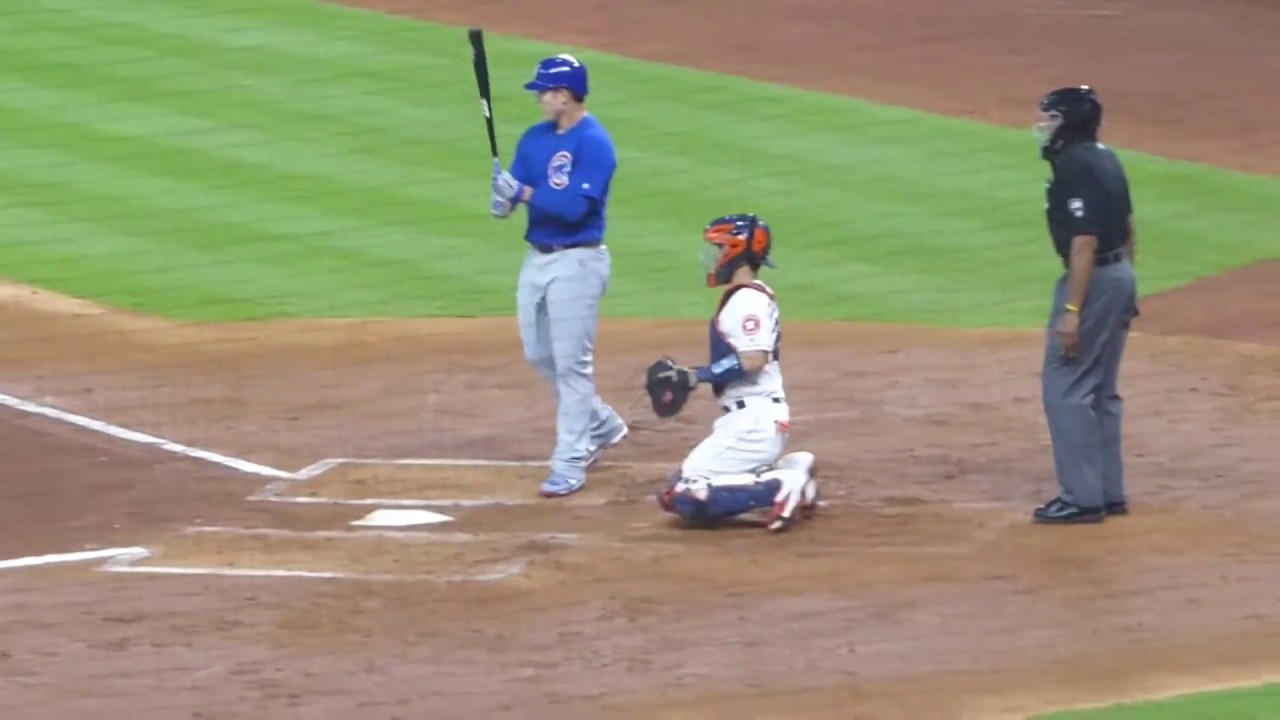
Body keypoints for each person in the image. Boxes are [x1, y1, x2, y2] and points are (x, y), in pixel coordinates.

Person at [490, 54, 628, 498]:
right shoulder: (534, 139)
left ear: (565, 95)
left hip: (579, 261)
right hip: (538, 258)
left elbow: (575, 208)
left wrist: (524, 194)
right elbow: (517, 186)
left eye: (545, 91)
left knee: (571, 365)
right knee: (538, 355)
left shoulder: (595, 143)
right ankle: (600, 422)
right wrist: (504, 200)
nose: (539, 98)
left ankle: (570, 461)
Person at [652, 213, 819, 532]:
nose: (714, 257)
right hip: (753, 418)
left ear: (736, 252)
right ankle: (794, 467)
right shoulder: (749, 295)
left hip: (753, 423)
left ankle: (783, 484)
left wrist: (696, 377)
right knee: (683, 480)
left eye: (719, 248)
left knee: (685, 495)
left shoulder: (746, 300)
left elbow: (754, 359)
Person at [1032, 85, 1139, 524]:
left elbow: (1084, 243)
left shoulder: (1075, 166)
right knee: (1101, 390)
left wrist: (1072, 312)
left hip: (1092, 281)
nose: (1044, 126)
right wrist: (1129, 287)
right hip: (1119, 277)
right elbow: (1129, 227)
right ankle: (1108, 491)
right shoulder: (1106, 157)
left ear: (1068, 123)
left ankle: (1082, 497)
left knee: (1066, 388)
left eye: (1052, 118)